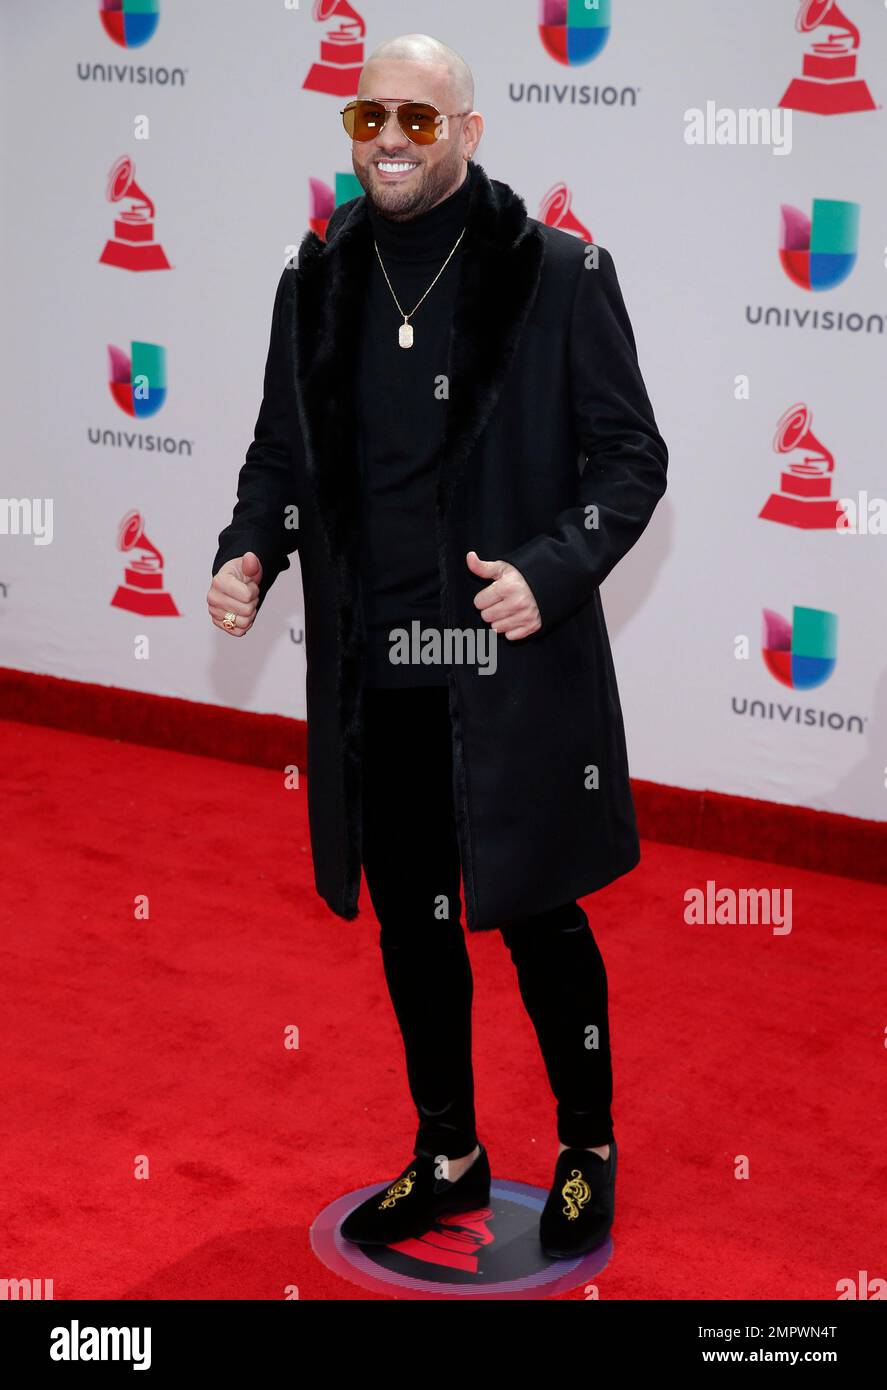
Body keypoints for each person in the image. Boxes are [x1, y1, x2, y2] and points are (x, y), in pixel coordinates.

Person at [208, 32, 668, 1259]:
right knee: (411, 922)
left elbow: (631, 460)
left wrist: (548, 571)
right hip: (379, 667)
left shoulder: (558, 274)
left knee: (538, 915)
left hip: (507, 669)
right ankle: (448, 1150)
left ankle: (586, 1146)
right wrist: (250, 550)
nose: (390, 140)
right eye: (369, 119)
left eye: (417, 118)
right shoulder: (315, 279)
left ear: (467, 129)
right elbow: (277, 452)